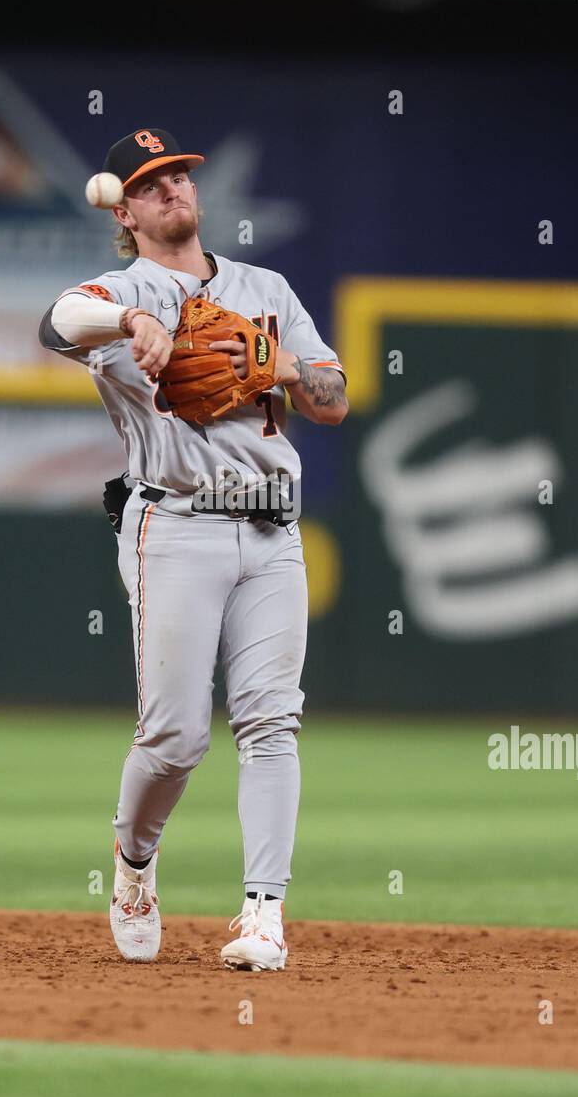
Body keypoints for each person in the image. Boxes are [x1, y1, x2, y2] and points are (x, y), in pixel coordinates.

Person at [39, 128, 347, 971]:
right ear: (125, 211)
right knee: (175, 738)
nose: (173, 188)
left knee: (271, 721)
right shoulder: (121, 290)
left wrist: (280, 364)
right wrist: (134, 318)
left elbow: (333, 401)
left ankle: (264, 915)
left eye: (179, 174)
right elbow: (54, 323)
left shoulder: (266, 288)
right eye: (151, 183)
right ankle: (134, 861)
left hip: (272, 530)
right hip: (173, 526)